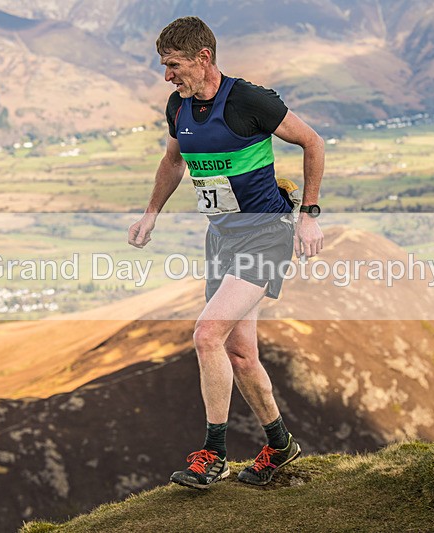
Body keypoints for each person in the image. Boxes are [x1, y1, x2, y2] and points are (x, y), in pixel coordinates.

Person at [128, 16, 324, 489]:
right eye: (163, 66)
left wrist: (310, 213)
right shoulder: (178, 108)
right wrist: (152, 211)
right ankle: (281, 446)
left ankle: (213, 454)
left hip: (265, 234)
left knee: (206, 334)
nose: (167, 75)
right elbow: (174, 160)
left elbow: (312, 142)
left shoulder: (249, 101)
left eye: (173, 65)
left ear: (203, 58)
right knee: (239, 353)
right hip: (222, 239)